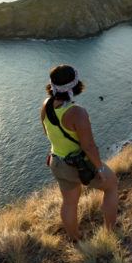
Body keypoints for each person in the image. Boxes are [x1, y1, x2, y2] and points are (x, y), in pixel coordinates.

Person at [41, 64, 118, 241]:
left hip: (57, 162)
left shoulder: (46, 105)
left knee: (69, 202)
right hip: (79, 165)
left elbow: (47, 133)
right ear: (74, 85)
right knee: (112, 185)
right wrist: (99, 169)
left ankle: (75, 239)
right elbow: (89, 147)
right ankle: (110, 233)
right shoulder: (77, 112)